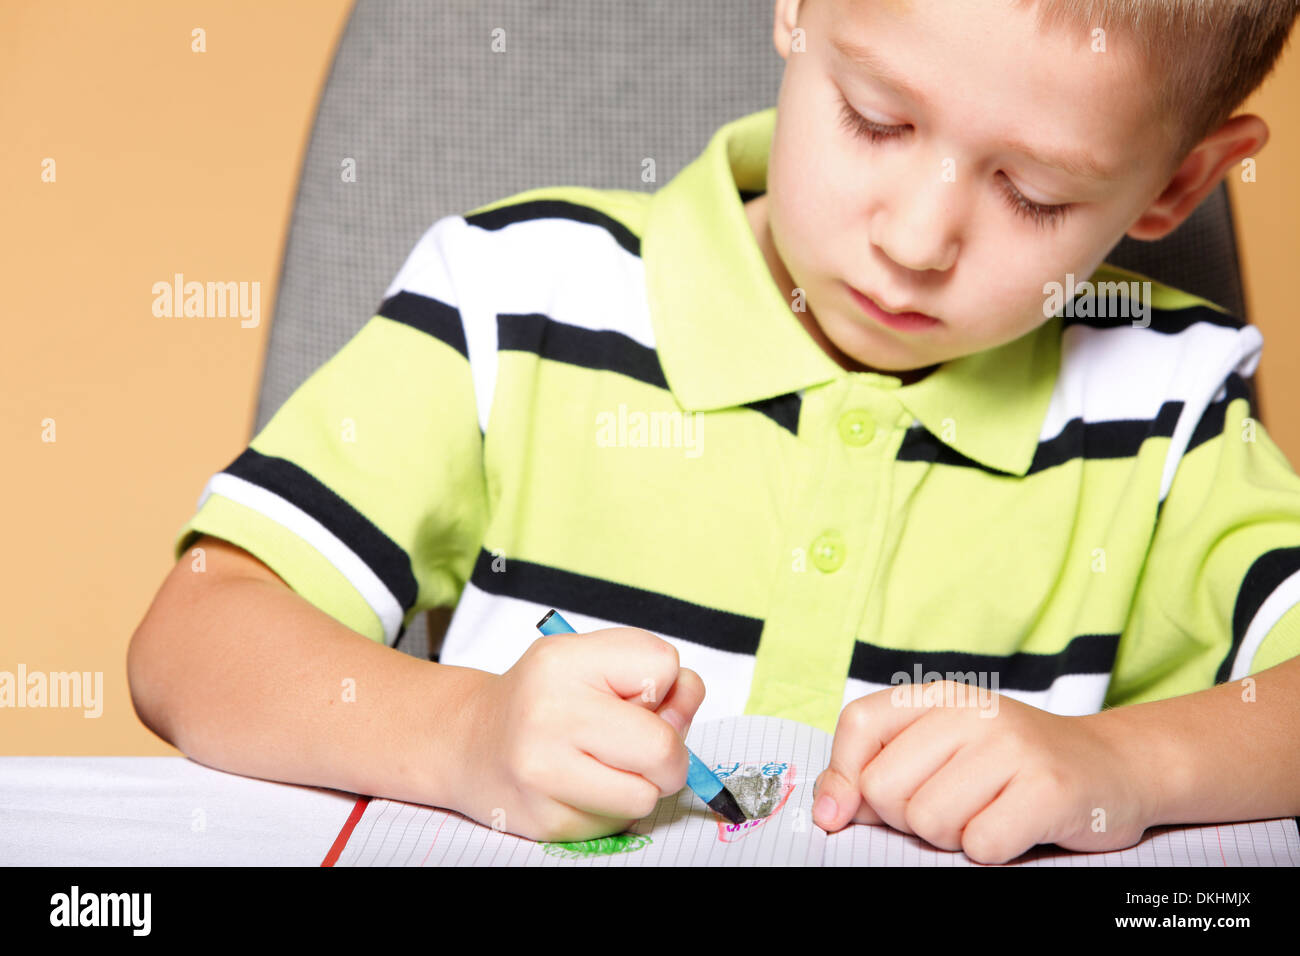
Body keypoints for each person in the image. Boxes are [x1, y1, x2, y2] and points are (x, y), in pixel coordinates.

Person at [128, 0, 1300, 863]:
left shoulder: (1169, 412)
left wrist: (1121, 767)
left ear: (1176, 184)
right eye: (876, 117)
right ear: (797, 10)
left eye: (1034, 192)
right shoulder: (513, 300)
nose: (918, 237)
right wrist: (462, 733)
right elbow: (192, 642)